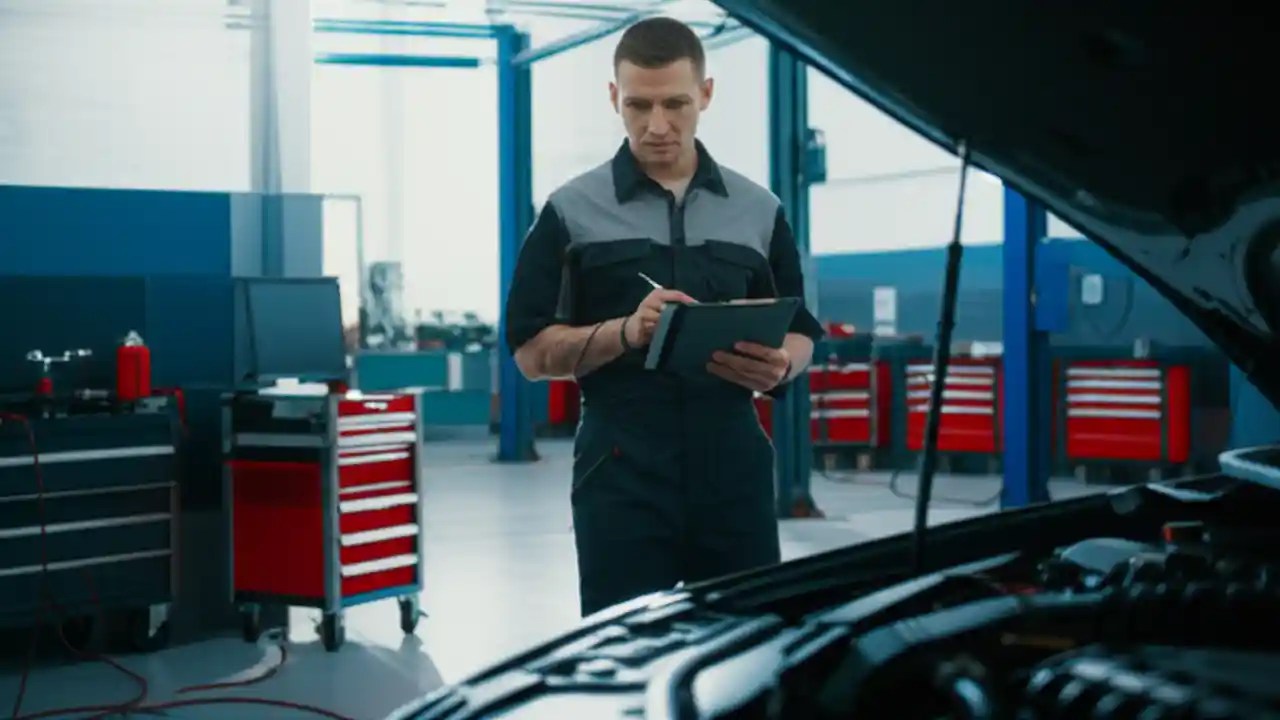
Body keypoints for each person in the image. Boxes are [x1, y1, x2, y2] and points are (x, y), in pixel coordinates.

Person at [503, 16, 824, 617]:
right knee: (622, 649)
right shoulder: (570, 212)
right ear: (613, 99)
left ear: (705, 94)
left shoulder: (760, 210)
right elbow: (528, 353)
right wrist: (626, 331)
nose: (657, 126)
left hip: (733, 461)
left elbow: (801, 330)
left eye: (676, 103)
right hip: (620, 466)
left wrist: (781, 366)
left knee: (749, 642)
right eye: (637, 105)